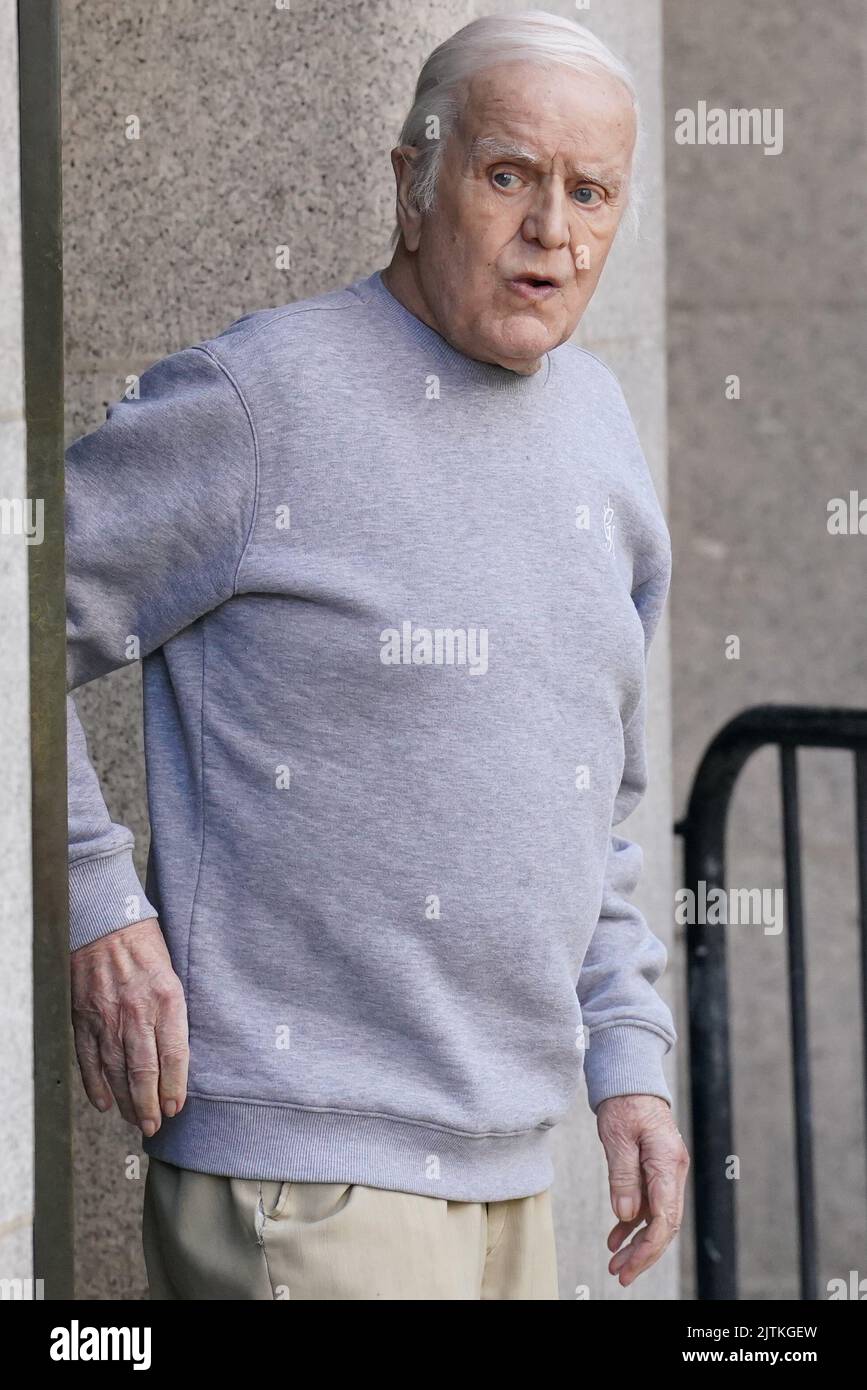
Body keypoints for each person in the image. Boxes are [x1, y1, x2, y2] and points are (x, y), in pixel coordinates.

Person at [66, 10, 689, 1301]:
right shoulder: (260, 399)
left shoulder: (602, 428)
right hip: (308, 1179)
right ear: (412, 181)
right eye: (508, 174)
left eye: (591, 191)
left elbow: (593, 799)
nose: (553, 232)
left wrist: (626, 1054)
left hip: (517, 1167)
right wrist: (93, 901)